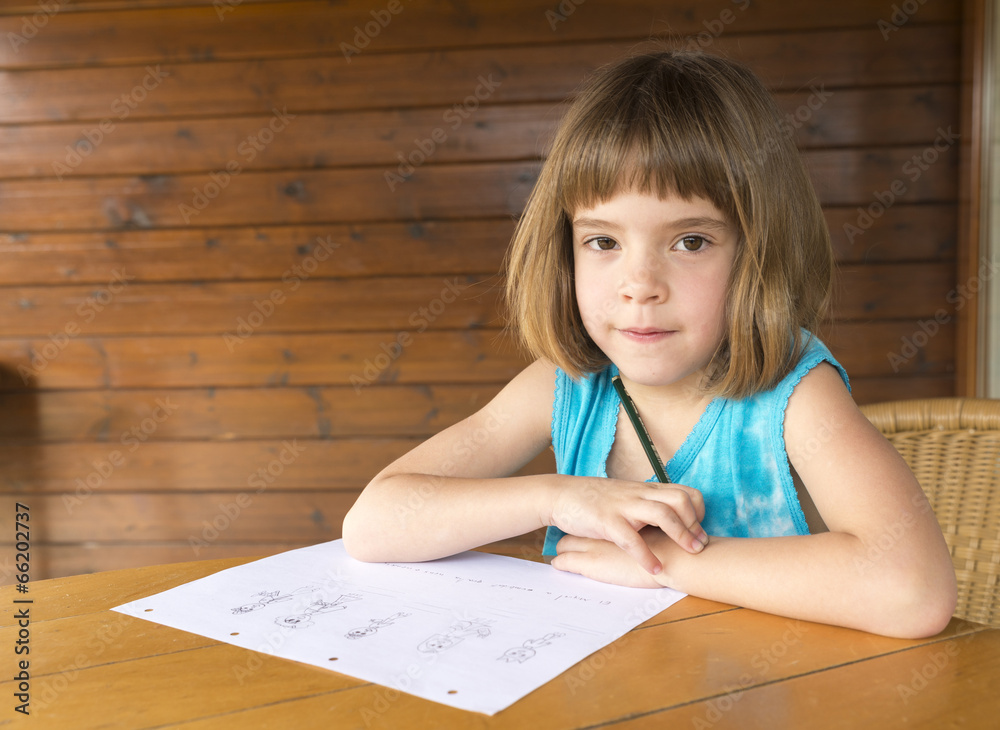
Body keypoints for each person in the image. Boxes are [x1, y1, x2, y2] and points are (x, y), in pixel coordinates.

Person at [342, 48, 957, 639]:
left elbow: (913, 591)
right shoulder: (567, 385)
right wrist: (559, 497)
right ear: (565, 251)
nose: (639, 286)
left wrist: (667, 563)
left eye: (690, 241)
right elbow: (373, 525)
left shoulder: (795, 396)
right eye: (603, 242)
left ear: (758, 254)